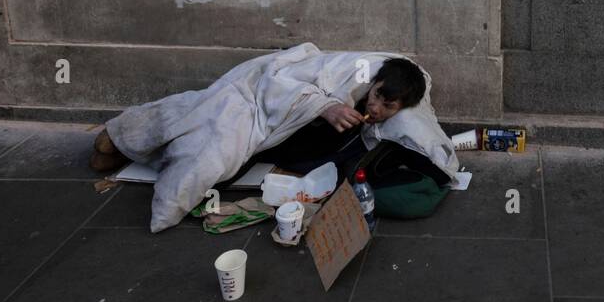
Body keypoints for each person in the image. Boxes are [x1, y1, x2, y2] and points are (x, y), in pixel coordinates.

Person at [89, 55, 427, 176]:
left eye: (388, 107)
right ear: (374, 83)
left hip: (280, 139)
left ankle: (135, 151)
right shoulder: (351, 79)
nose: (376, 108)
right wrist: (324, 107)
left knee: (215, 156)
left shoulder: (387, 118)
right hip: (258, 96)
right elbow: (282, 81)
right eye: (378, 96)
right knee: (211, 112)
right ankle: (124, 135)